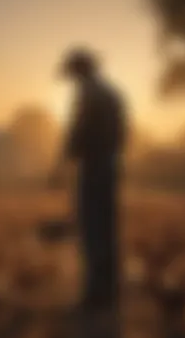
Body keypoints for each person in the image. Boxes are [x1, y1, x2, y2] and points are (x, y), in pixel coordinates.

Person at [50, 47, 127, 314]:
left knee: (92, 229)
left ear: (79, 70)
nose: (72, 78)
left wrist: (61, 165)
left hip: (93, 167)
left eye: (72, 72)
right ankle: (110, 291)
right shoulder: (111, 93)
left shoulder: (88, 94)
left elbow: (77, 132)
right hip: (109, 165)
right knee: (106, 228)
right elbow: (122, 133)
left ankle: (96, 294)